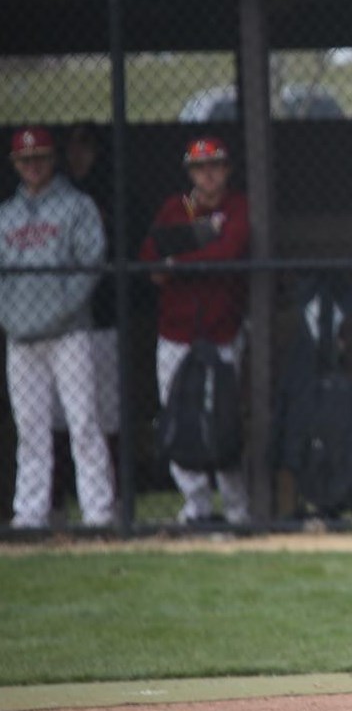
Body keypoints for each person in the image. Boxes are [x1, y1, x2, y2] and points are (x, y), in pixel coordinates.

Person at [1, 127, 115, 529]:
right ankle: (30, 512)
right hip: (20, 336)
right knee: (30, 428)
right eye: (25, 160)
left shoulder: (76, 206)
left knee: (84, 422)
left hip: (69, 333)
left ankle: (98, 511)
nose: (33, 166)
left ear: (53, 160)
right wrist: (10, 316)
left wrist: (58, 310)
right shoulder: (6, 215)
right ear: (15, 165)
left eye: (41, 158)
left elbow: (91, 262)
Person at [138, 136, 251, 524]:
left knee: (224, 420)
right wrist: (193, 249)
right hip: (176, 333)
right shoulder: (176, 207)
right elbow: (150, 259)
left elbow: (228, 252)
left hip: (222, 333)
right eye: (200, 167)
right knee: (178, 417)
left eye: (216, 165)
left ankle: (237, 508)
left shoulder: (238, 206)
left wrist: (179, 259)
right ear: (190, 172)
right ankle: (197, 506)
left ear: (228, 169)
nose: (208, 173)